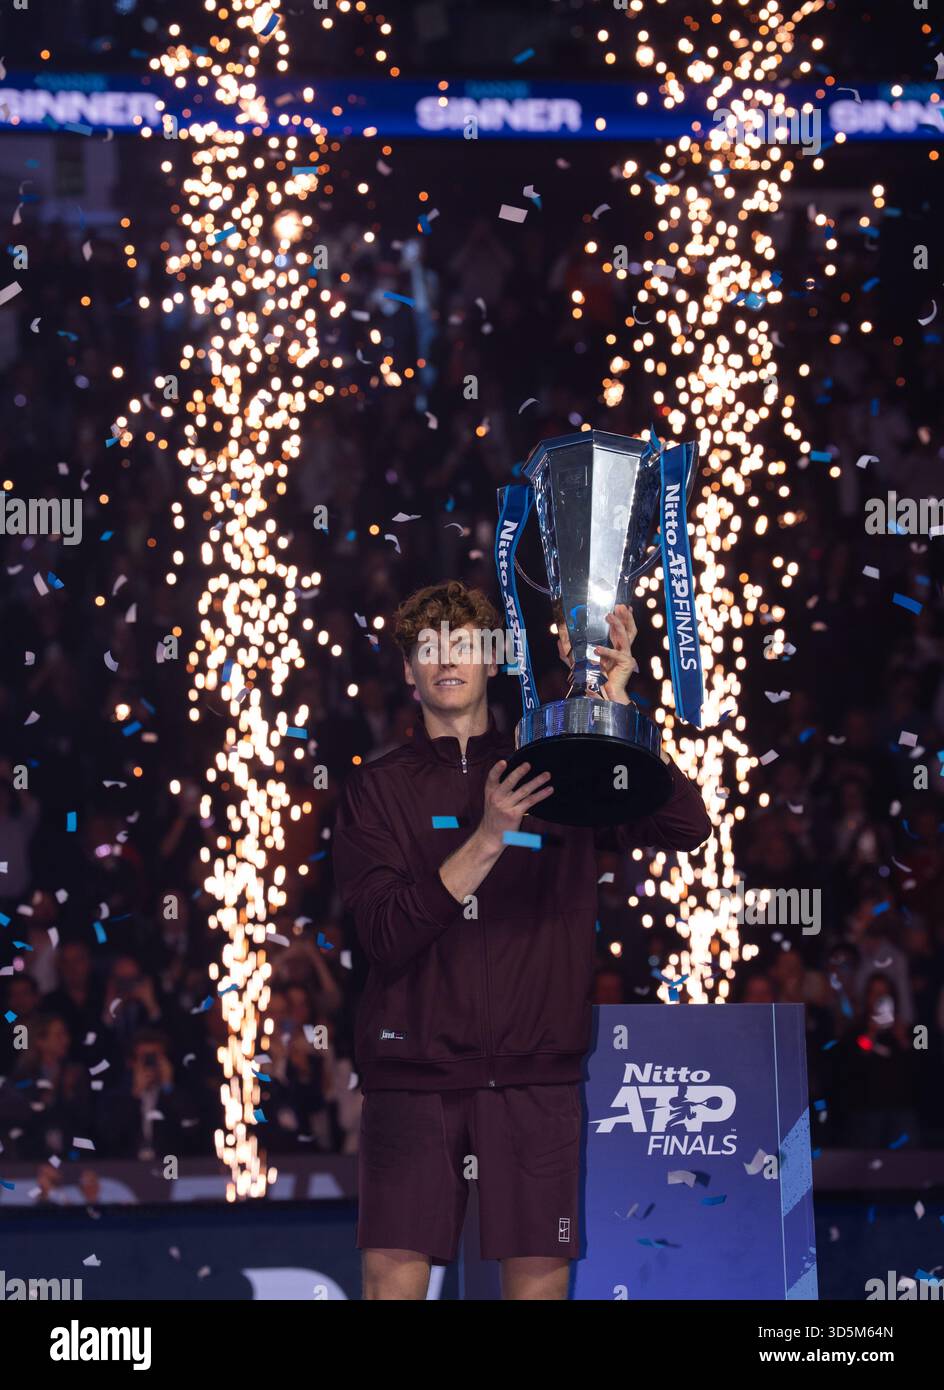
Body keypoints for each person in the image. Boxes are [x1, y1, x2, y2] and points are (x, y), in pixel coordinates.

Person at [332, 580, 711, 1301]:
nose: (448, 658)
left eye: (466, 642)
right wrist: (488, 837)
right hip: (414, 1078)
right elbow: (384, 935)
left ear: (496, 659)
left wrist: (616, 708)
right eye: (429, 645)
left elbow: (686, 829)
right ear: (409, 669)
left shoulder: (555, 766)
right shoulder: (375, 791)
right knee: (390, 1290)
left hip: (538, 1080)